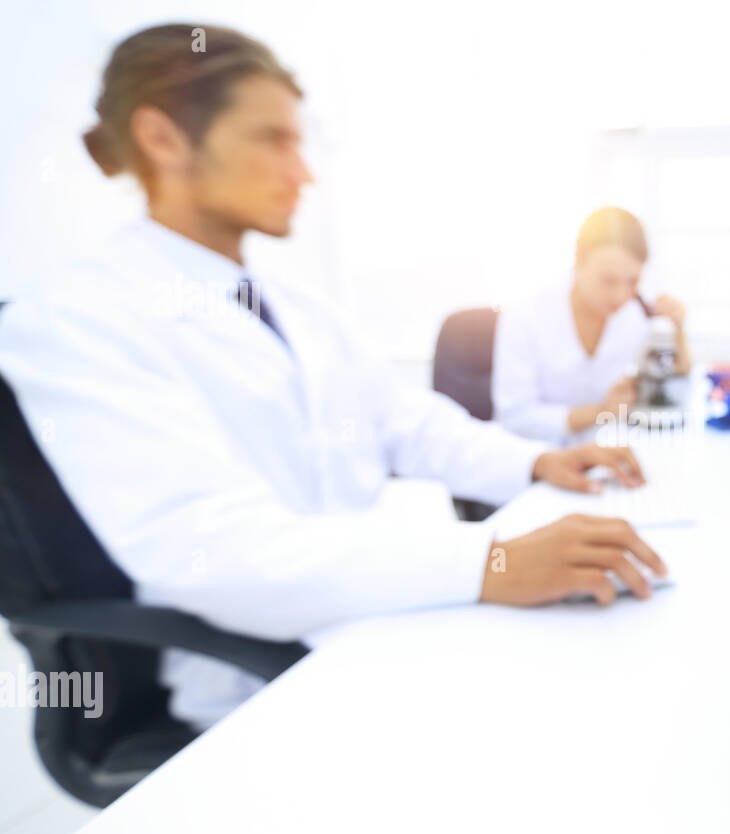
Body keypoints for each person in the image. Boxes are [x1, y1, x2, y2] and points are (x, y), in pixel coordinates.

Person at [0, 25, 666, 730]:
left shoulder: (296, 307)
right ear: (163, 139)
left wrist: (538, 459)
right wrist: (487, 562)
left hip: (364, 625)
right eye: (272, 140)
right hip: (247, 685)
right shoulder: (75, 319)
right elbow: (214, 551)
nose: (303, 172)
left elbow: (406, 424)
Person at [491, 207, 690, 443]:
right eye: (608, 280)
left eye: (633, 281)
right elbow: (515, 419)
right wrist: (602, 412)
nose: (621, 296)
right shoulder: (525, 315)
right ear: (578, 261)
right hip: (539, 461)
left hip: (610, 456)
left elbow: (675, 394)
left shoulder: (636, 316)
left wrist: (677, 331)